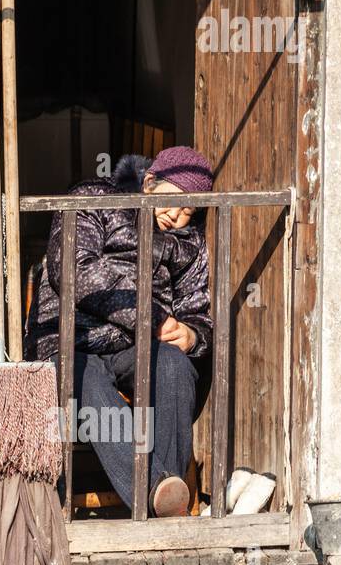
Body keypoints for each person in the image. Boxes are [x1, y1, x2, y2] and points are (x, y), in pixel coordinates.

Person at [24, 145, 214, 517]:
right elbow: (76, 271)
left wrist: (192, 335)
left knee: (174, 363)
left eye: (189, 211)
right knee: (87, 381)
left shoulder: (188, 243)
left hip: (135, 346)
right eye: (172, 202)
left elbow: (197, 308)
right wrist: (150, 316)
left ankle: (164, 493)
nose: (176, 217)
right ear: (148, 182)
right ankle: (157, 496)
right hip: (71, 338)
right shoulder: (93, 200)